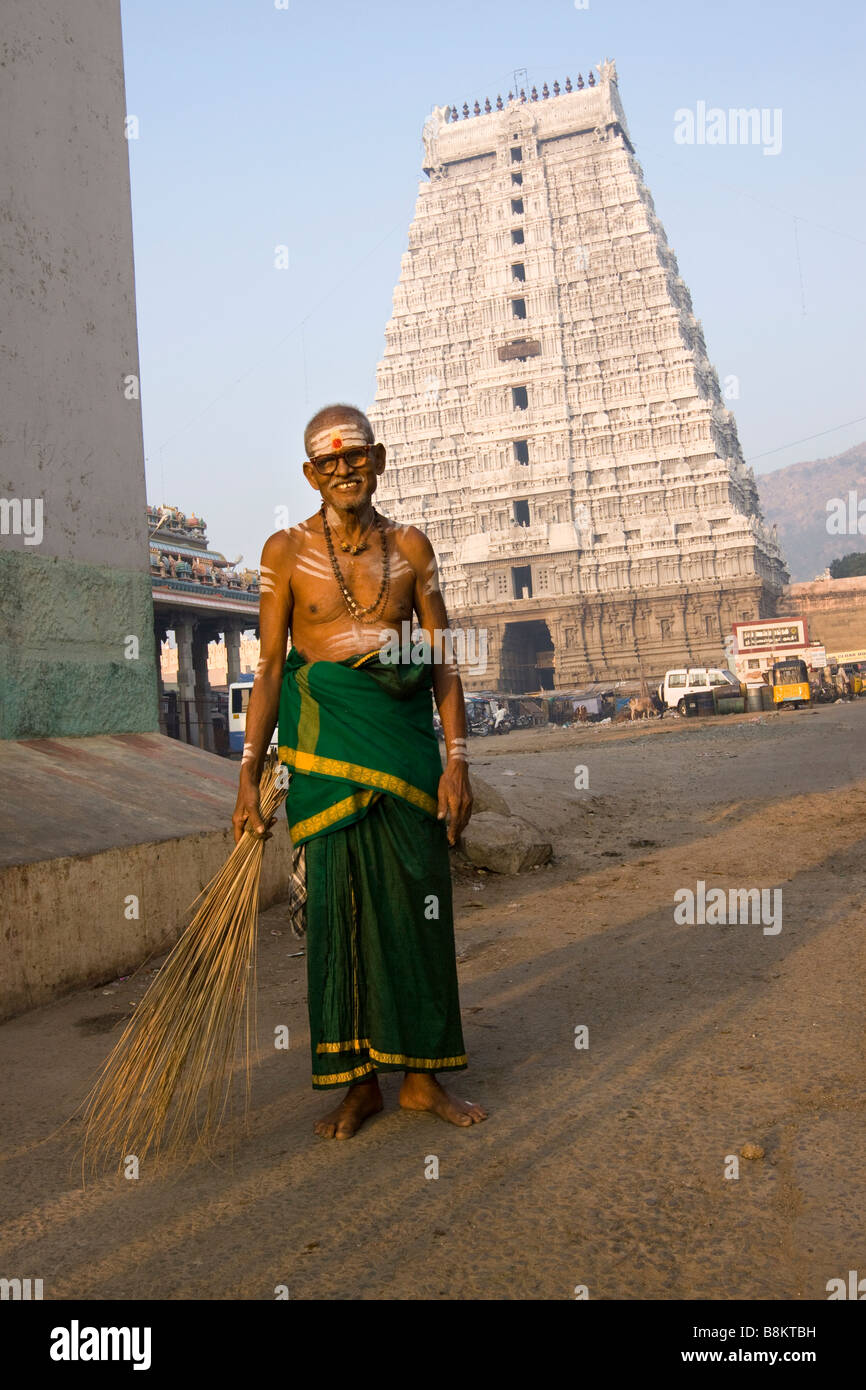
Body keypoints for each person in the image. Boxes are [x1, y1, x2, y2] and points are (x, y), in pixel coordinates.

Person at [232, 404, 487, 1139]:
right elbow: (273, 666)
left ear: (377, 460)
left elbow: (440, 659)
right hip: (323, 755)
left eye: (357, 458)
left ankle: (423, 1079)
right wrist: (249, 772)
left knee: (416, 908)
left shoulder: (410, 547)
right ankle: (358, 1083)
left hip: (405, 752)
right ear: (311, 475)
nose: (344, 471)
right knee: (337, 919)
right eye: (329, 463)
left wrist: (458, 762)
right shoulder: (283, 553)